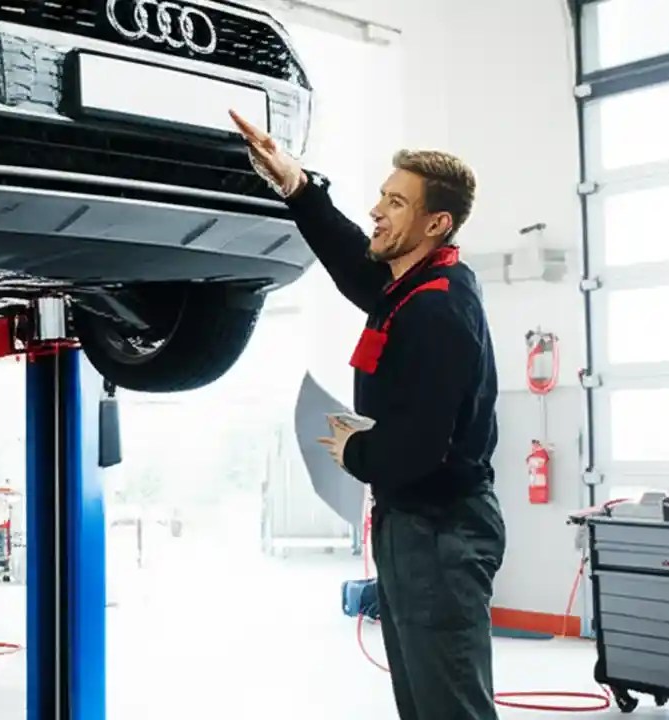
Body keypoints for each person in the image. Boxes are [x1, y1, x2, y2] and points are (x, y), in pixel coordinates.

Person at [231, 110, 505, 720]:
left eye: (396, 203)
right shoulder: (411, 288)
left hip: (440, 531)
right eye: (382, 196)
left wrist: (355, 452)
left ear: (437, 222)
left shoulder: (437, 310)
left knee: (449, 705)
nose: (378, 210)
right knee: (423, 701)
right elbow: (352, 259)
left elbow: (421, 447)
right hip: (414, 524)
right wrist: (295, 184)